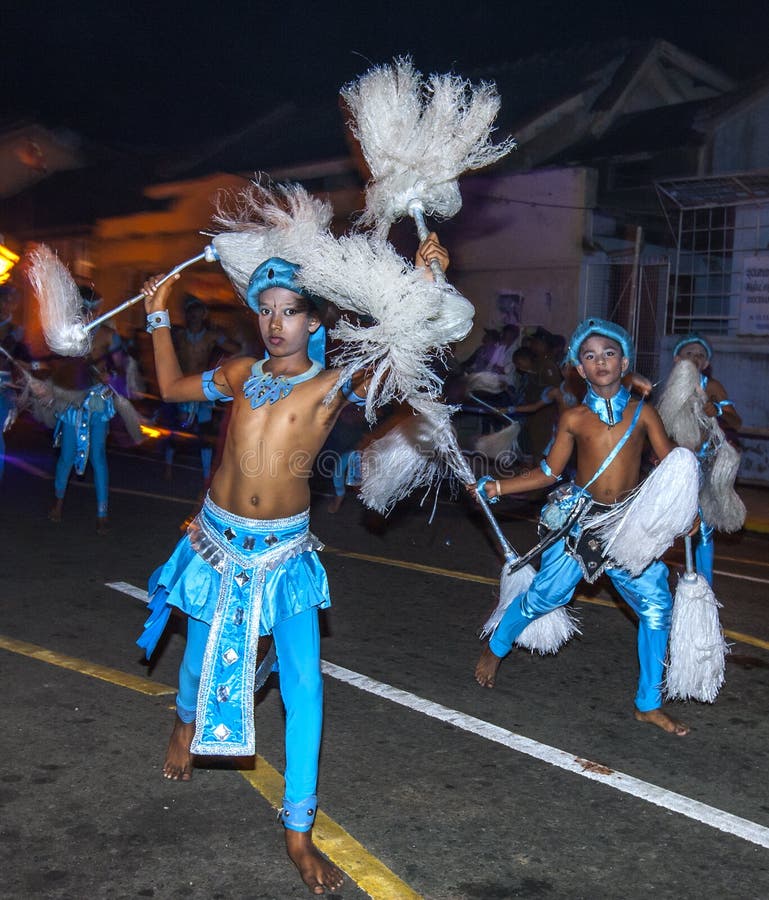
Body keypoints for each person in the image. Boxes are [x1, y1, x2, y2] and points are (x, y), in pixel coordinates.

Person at [136, 236, 448, 894]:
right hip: (217, 543)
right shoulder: (239, 373)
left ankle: (298, 835)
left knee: (305, 690)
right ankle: (184, 720)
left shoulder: (334, 385)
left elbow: (399, 359)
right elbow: (166, 387)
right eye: (266, 310)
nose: (276, 323)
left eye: (289, 312)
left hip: (284, 556)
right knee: (196, 664)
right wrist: (158, 311)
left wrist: (423, 286)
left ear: (313, 323)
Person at [470, 317, 690, 737]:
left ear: (623, 362)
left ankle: (649, 703)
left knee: (658, 607)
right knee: (543, 598)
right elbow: (550, 472)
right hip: (580, 527)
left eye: (608, 353)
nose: (600, 361)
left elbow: (672, 465)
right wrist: (497, 486)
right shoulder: (573, 419)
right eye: (590, 356)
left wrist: (686, 506)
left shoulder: (644, 414)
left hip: (628, 526)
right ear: (579, 368)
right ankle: (495, 648)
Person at [47, 286, 122, 534]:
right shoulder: (69, 336)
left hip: (99, 403)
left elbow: (121, 369)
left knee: (98, 456)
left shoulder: (109, 336)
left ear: (99, 310)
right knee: (67, 455)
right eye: (83, 309)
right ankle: (58, 501)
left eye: (92, 309)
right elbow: (59, 368)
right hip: (74, 401)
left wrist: (108, 377)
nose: (88, 314)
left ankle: (103, 513)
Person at [671, 334, 742, 583]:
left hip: (703, 466)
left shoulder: (711, 386)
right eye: (690, 353)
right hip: (674, 466)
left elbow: (736, 421)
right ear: (677, 359)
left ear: (706, 363)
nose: (695, 358)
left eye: (700, 355)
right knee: (668, 524)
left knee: (703, 527)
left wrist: (719, 409)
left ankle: (703, 588)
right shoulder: (670, 388)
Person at [161, 294, 240, 483]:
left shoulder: (211, 335)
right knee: (176, 431)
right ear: (187, 315)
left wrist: (222, 364)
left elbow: (235, 348)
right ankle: (168, 469)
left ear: (203, 315)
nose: (195, 317)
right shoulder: (179, 335)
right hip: (183, 387)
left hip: (203, 389)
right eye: (192, 313)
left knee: (204, 432)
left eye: (198, 313)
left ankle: (206, 475)